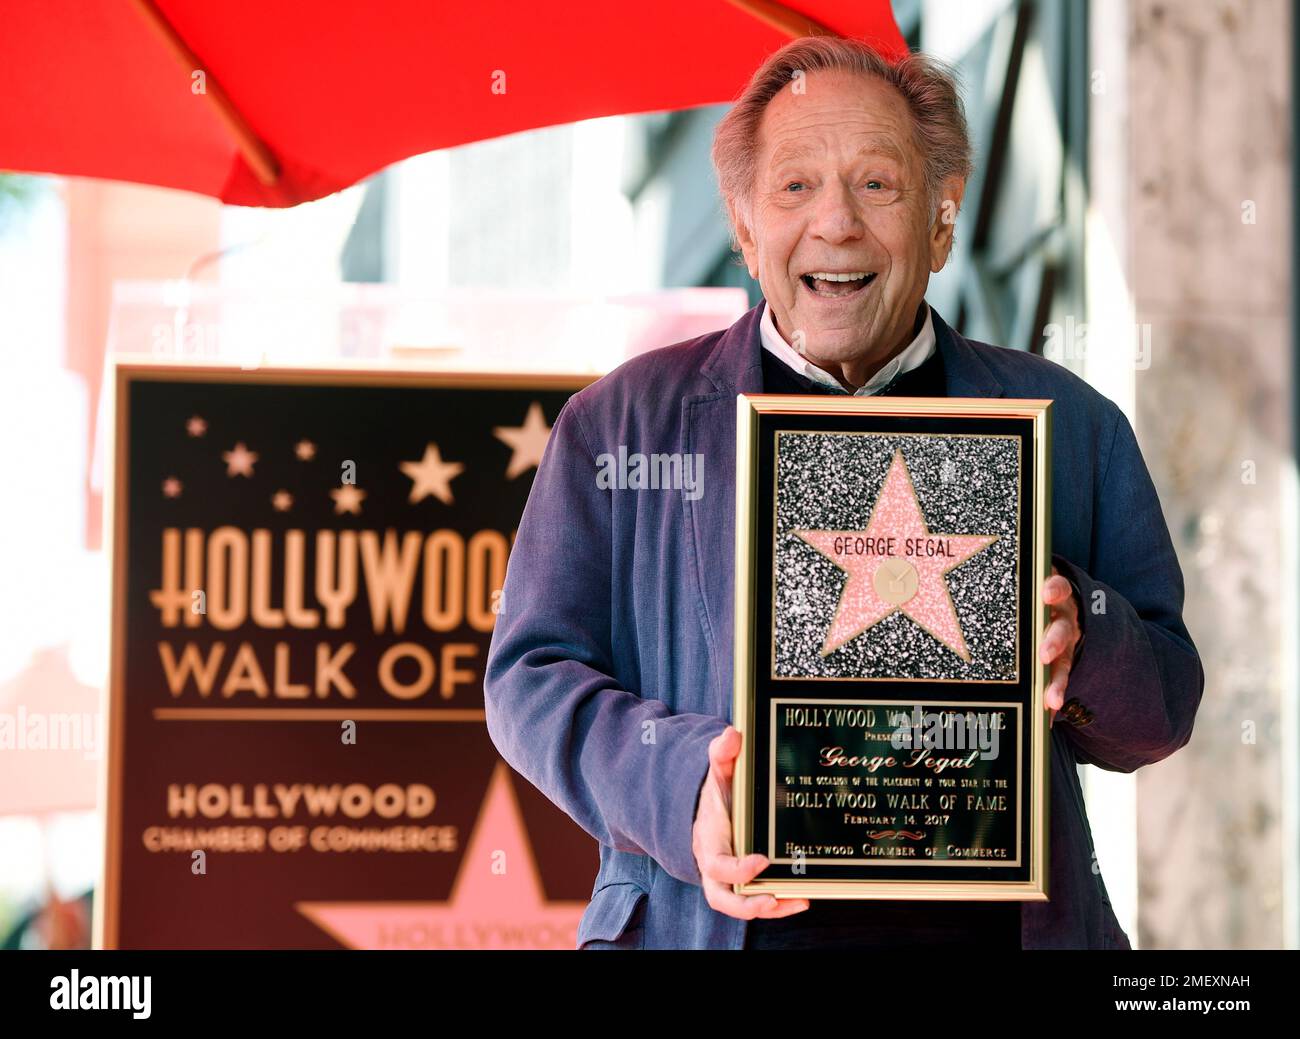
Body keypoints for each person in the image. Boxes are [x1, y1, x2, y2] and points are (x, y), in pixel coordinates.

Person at [483, 34, 1203, 949]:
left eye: (877, 184)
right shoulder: (618, 425)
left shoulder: (1072, 423)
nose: (836, 223)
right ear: (745, 230)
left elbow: (1166, 706)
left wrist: (1086, 638)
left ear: (943, 223)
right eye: (794, 187)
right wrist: (684, 785)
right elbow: (528, 678)